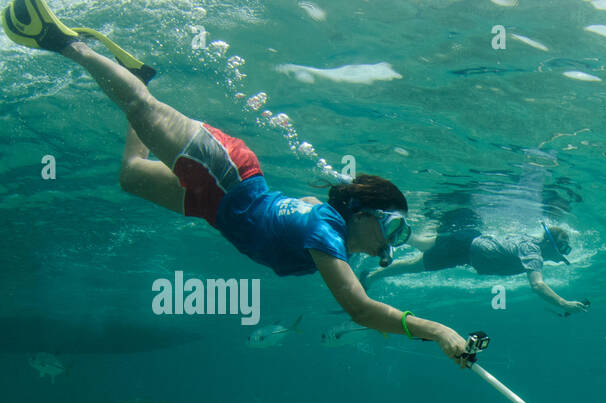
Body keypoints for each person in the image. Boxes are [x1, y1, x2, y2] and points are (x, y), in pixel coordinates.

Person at [3, 0, 471, 366]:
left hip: (215, 207)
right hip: (225, 172)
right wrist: (440, 332)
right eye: (392, 228)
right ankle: (64, 42)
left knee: (131, 175)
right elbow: (361, 311)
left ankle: (137, 77)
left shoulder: (329, 228)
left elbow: (304, 206)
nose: (391, 242)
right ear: (364, 215)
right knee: (142, 108)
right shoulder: (326, 233)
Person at [366, 208, 590, 315]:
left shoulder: (530, 242)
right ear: (549, 244)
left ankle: (389, 248)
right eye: (561, 249)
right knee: (417, 258)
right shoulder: (534, 253)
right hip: (464, 249)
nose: (561, 256)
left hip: (469, 242)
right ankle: (389, 234)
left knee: (420, 252)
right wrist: (563, 303)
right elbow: (537, 285)